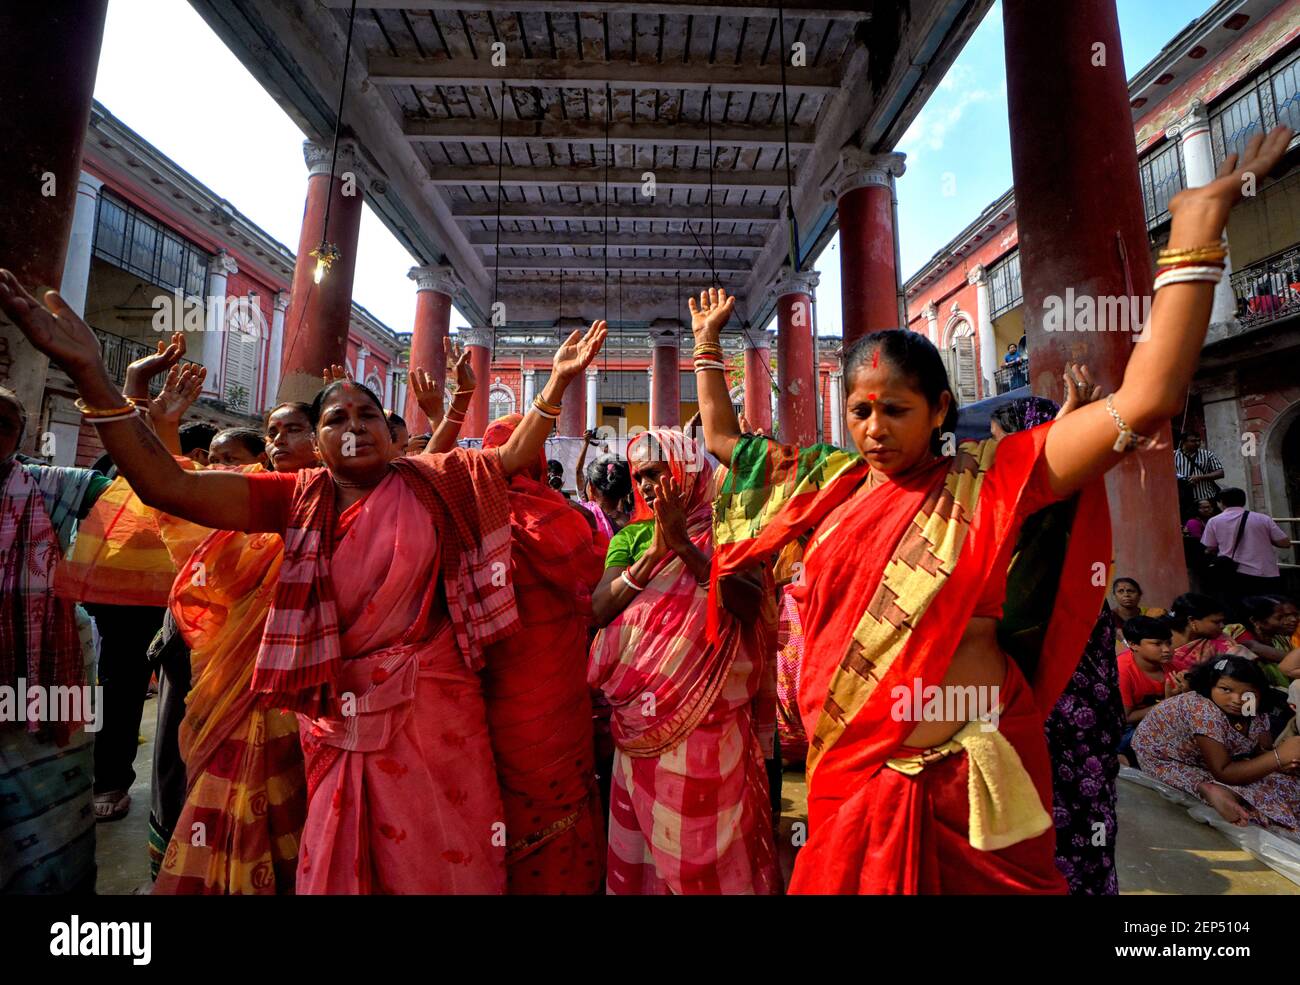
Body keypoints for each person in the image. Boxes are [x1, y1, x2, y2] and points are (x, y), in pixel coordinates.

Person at [690, 121, 1294, 895]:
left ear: (941, 409)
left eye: (895, 411)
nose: (873, 429)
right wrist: (707, 343)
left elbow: (1143, 404)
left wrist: (1197, 233)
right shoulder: (826, 485)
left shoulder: (991, 474)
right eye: (860, 410)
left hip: (972, 791)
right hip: (851, 775)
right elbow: (722, 437)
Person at [0, 265, 608, 893]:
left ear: (392, 434)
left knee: (449, 860)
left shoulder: (436, 481)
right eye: (336, 419)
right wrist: (93, 375)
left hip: (438, 711)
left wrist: (556, 384)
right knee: (344, 854)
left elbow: (506, 459)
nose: (354, 427)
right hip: (338, 716)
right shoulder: (296, 498)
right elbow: (170, 486)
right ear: (318, 443)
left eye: (368, 414)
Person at [588, 428, 780, 895]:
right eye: (641, 476)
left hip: (710, 724)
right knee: (646, 852)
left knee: (706, 852)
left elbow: (748, 605)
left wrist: (686, 549)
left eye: (657, 472)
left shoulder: (732, 530)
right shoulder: (632, 537)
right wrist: (654, 553)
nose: (649, 485)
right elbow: (597, 609)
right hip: (639, 725)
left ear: (688, 470)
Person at [478, 414, 607, 894]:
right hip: (556, 685)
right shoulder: (564, 517)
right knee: (561, 793)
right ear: (535, 458)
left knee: (501, 795)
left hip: (492, 689)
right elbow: (593, 575)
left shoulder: (467, 515)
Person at [0, 385, 108, 893]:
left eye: (2, 423)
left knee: (51, 816)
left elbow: (147, 498)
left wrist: (126, 402)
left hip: (51, 669)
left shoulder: (54, 485)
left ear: (19, 438)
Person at [1132, 655, 1300, 829]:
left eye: (1248, 693)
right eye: (1226, 690)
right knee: (1257, 805)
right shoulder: (1203, 710)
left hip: (1213, 761)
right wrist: (1277, 757)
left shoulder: (1252, 709)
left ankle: (1225, 792)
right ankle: (1208, 789)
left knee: (1286, 785)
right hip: (1167, 760)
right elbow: (1223, 772)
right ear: (1210, 685)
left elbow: (1260, 751)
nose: (1237, 700)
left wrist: (1282, 762)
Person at [1201, 487, 1290, 612]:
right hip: (1265, 572)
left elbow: (1210, 546)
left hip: (1233, 573)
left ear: (1221, 502)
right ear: (1243, 501)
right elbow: (1285, 542)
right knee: (1269, 611)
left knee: (1240, 611)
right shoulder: (1262, 519)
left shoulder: (1214, 521)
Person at [1116, 615, 1186, 766]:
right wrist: (1167, 704)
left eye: (1168, 643)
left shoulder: (1175, 666)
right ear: (1133, 644)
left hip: (1163, 719)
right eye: (1157, 644)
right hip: (1129, 727)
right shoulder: (1122, 670)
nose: (1167, 649)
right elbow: (1126, 717)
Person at [1166, 592, 1251, 672]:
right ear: (1191, 620)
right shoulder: (1160, 639)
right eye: (1216, 622)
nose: (1222, 626)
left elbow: (1244, 668)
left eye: (1222, 621)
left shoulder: (1221, 641)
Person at [574, 430, 633, 539]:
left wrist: (586, 443)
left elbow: (578, 471)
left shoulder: (581, 515)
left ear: (591, 487)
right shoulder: (635, 522)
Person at [1237, 595, 1300, 688]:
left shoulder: (1280, 639)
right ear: (1255, 621)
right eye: (1279, 618)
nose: (1285, 621)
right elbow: (1251, 646)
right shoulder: (1237, 632)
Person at [1109, 576, 1166, 652]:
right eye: (1121, 591)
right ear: (1114, 596)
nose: (1126, 595)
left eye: (1130, 591)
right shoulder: (1108, 617)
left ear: (1140, 594)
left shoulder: (1153, 614)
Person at [1174, 431, 1225, 507]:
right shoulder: (1173, 455)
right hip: (1184, 499)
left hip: (1206, 497)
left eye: (1199, 440)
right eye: (1193, 441)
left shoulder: (1207, 455)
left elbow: (1220, 473)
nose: (1197, 443)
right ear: (1183, 442)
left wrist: (1200, 477)